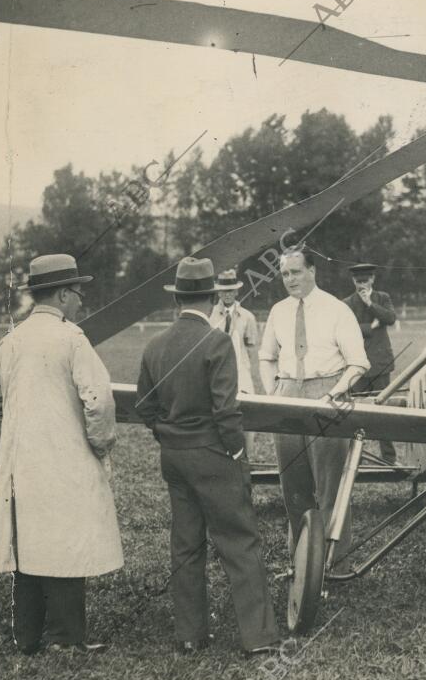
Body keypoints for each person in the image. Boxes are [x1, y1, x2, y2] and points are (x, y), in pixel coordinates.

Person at [0, 254, 122, 655]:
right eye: (77, 293)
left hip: (20, 468)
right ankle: (64, 637)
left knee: (28, 548)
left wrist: (20, 435)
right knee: (66, 544)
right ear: (62, 294)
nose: (79, 301)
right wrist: (99, 444)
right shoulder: (72, 338)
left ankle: (27, 636)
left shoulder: (10, 341)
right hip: (66, 461)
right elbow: (99, 402)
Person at [136, 257, 279, 655]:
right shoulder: (217, 341)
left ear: (177, 300)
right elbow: (226, 411)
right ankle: (259, 637)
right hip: (213, 455)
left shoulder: (154, 345)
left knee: (185, 545)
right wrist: (236, 452)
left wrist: (167, 434)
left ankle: (190, 635)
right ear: (213, 299)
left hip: (175, 457)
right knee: (239, 541)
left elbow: (144, 407)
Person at [259, 248, 368, 563]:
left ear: (312, 271)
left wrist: (333, 394)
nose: (290, 280)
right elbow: (266, 357)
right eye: (285, 274)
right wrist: (273, 394)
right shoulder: (279, 311)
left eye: (296, 272)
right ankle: (302, 561)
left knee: (331, 486)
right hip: (288, 396)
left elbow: (358, 363)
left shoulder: (337, 309)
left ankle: (335, 562)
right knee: (293, 486)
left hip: (327, 394)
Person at [342, 262, 399, 464]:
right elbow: (346, 329)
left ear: (372, 279)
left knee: (382, 410)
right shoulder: (347, 303)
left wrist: (370, 305)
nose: (361, 285)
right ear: (353, 281)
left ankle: (389, 458)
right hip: (357, 364)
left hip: (380, 364)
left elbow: (390, 318)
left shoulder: (382, 297)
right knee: (356, 413)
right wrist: (370, 327)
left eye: (365, 281)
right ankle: (354, 458)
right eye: (358, 281)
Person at [209, 267, 263, 456]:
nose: (228, 294)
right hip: (216, 374)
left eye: (231, 290)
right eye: (224, 290)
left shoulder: (247, 317)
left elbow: (251, 346)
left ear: (237, 290)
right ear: (218, 292)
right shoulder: (210, 316)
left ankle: (246, 460)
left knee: (245, 418)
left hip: (242, 376)